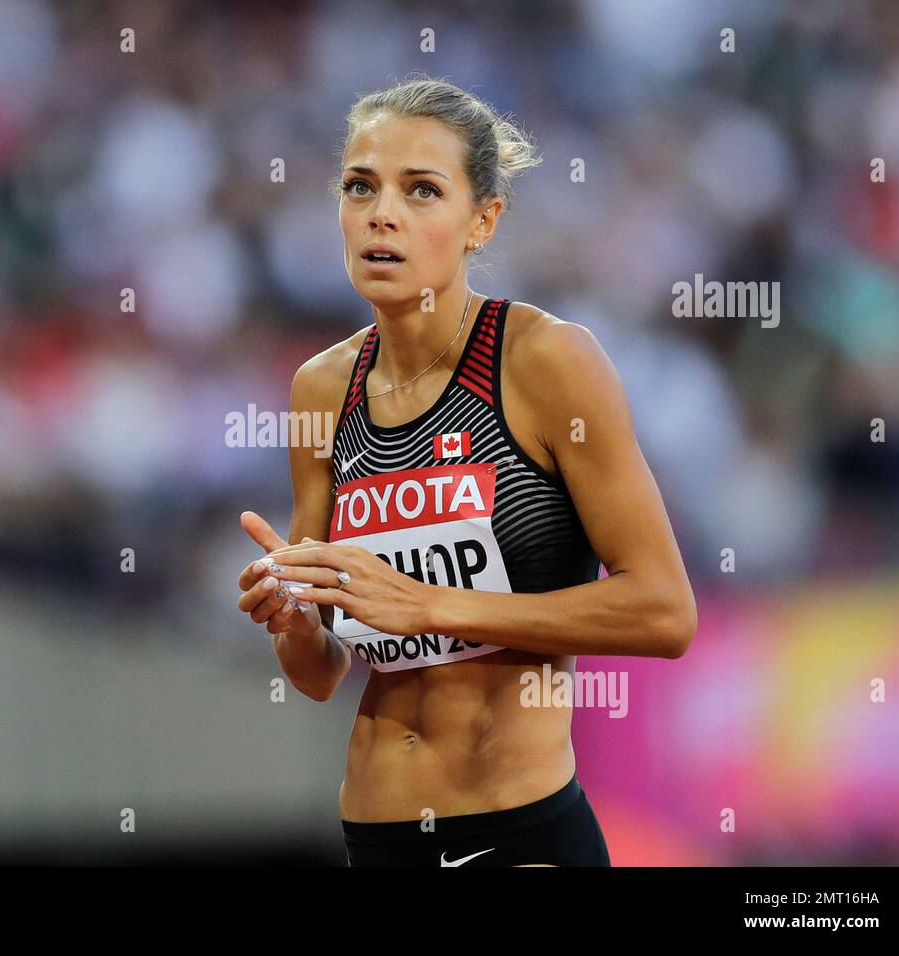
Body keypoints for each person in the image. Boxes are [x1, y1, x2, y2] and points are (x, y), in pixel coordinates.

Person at [237, 77, 696, 866]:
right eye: (360, 187)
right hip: (377, 836)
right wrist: (294, 620)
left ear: (483, 220)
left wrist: (430, 606)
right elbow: (319, 674)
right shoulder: (321, 388)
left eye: (422, 190)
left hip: (516, 830)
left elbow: (663, 612)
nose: (382, 213)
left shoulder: (544, 360)